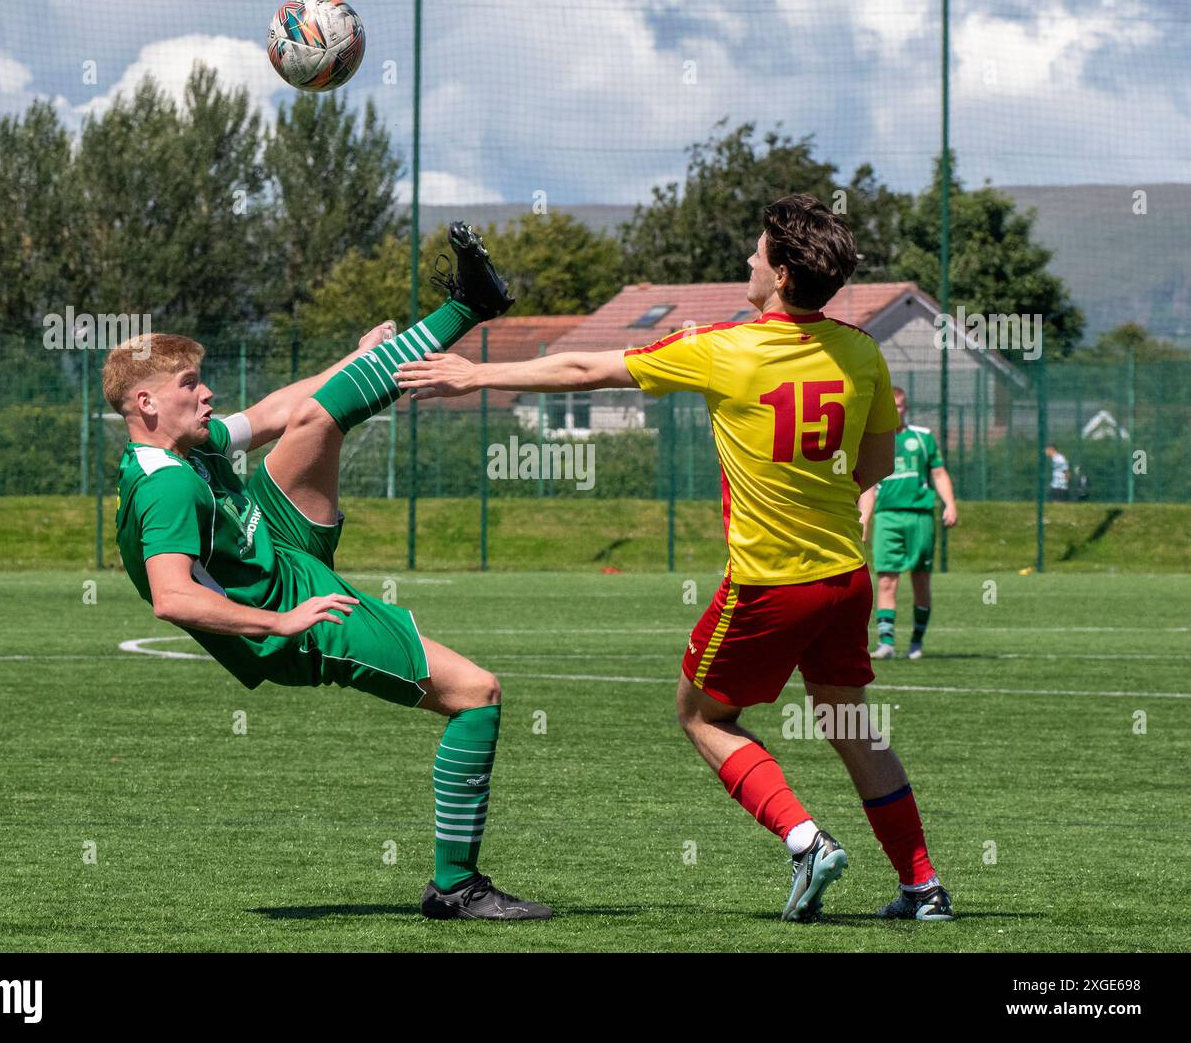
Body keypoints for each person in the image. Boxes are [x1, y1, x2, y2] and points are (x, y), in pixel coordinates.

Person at [397, 195, 953, 922]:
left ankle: (806, 839)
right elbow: (870, 467)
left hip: (769, 583)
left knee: (701, 714)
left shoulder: (728, 347)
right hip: (844, 578)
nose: (749, 261)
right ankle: (924, 886)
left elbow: (586, 370)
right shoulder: (862, 351)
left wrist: (477, 375)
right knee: (851, 725)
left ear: (782, 274)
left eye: (758, 253)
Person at [104, 223, 550, 921]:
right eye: (191, 384)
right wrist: (280, 620)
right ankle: (454, 887)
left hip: (273, 543)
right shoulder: (167, 487)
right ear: (146, 404)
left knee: (315, 415)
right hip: (290, 609)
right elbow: (171, 597)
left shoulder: (190, 449)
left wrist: (352, 362)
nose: (208, 392)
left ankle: (471, 305)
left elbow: (284, 409)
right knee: (477, 692)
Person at [857, 388, 958, 660]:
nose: (897, 411)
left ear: (906, 407)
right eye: (892, 406)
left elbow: (938, 472)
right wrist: (864, 519)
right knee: (887, 580)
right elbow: (868, 485)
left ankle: (916, 641)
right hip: (888, 517)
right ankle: (886, 643)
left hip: (920, 515)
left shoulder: (922, 437)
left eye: (901, 406)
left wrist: (950, 504)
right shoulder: (873, 441)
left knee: (921, 579)